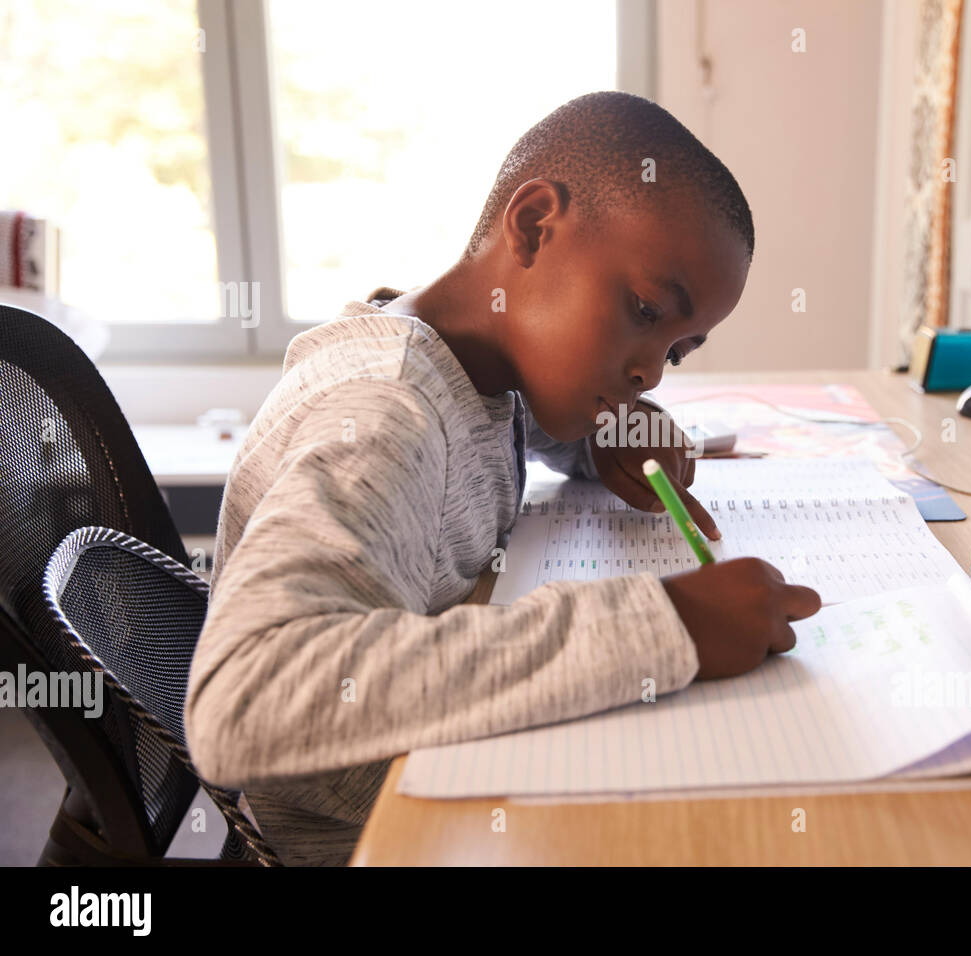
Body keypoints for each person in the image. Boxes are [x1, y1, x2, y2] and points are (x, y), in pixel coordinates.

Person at [184, 91, 821, 866]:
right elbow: (243, 700)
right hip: (383, 837)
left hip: (455, 778)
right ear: (534, 226)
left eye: (678, 352)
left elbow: (504, 431)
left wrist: (611, 433)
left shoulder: (476, 366)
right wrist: (665, 626)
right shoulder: (386, 413)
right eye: (646, 311)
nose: (650, 369)